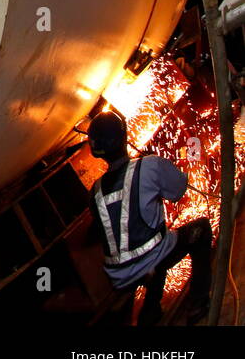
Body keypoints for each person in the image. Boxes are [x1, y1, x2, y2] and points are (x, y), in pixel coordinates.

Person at [88, 112, 213, 325]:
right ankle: (198, 304)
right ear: (124, 136)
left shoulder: (94, 191)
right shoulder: (149, 165)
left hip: (118, 275)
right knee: (200, 229)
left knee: (156, 247)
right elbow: (178, 190)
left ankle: (151, 312)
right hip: (149, 259)